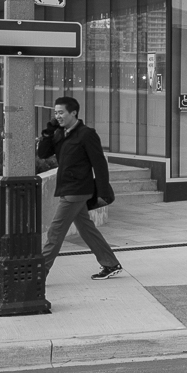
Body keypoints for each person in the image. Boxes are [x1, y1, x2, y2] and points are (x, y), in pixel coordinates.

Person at [37, 95, 121, 281]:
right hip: (67, 187)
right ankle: (110, 263)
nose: (57, 116)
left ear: (73, 112)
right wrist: (48, 132)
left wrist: (103, 192)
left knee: (55, 231)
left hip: (77, 190)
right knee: (86, 228)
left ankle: (38, 274)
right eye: (56, 113)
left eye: (61, 112)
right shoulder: (60, 133)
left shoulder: (86, 134)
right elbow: (42, 153)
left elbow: (99, 164)